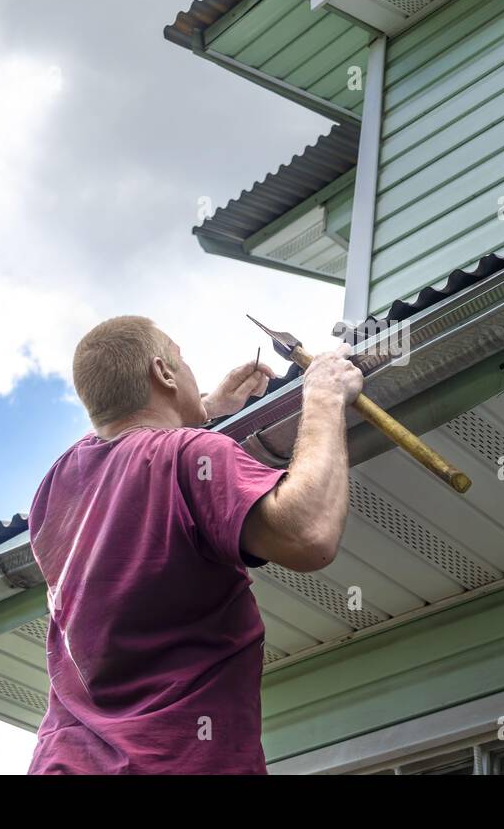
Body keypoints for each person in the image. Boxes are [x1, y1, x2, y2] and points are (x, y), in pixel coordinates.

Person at [25, 315, 362, 774]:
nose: (189, 371)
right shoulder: (190, 454)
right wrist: (323, 397)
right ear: (163, 373)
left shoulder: (55, 488)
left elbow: (127, 444)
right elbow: (308, 535)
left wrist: (203, 407)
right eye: (181, 363)